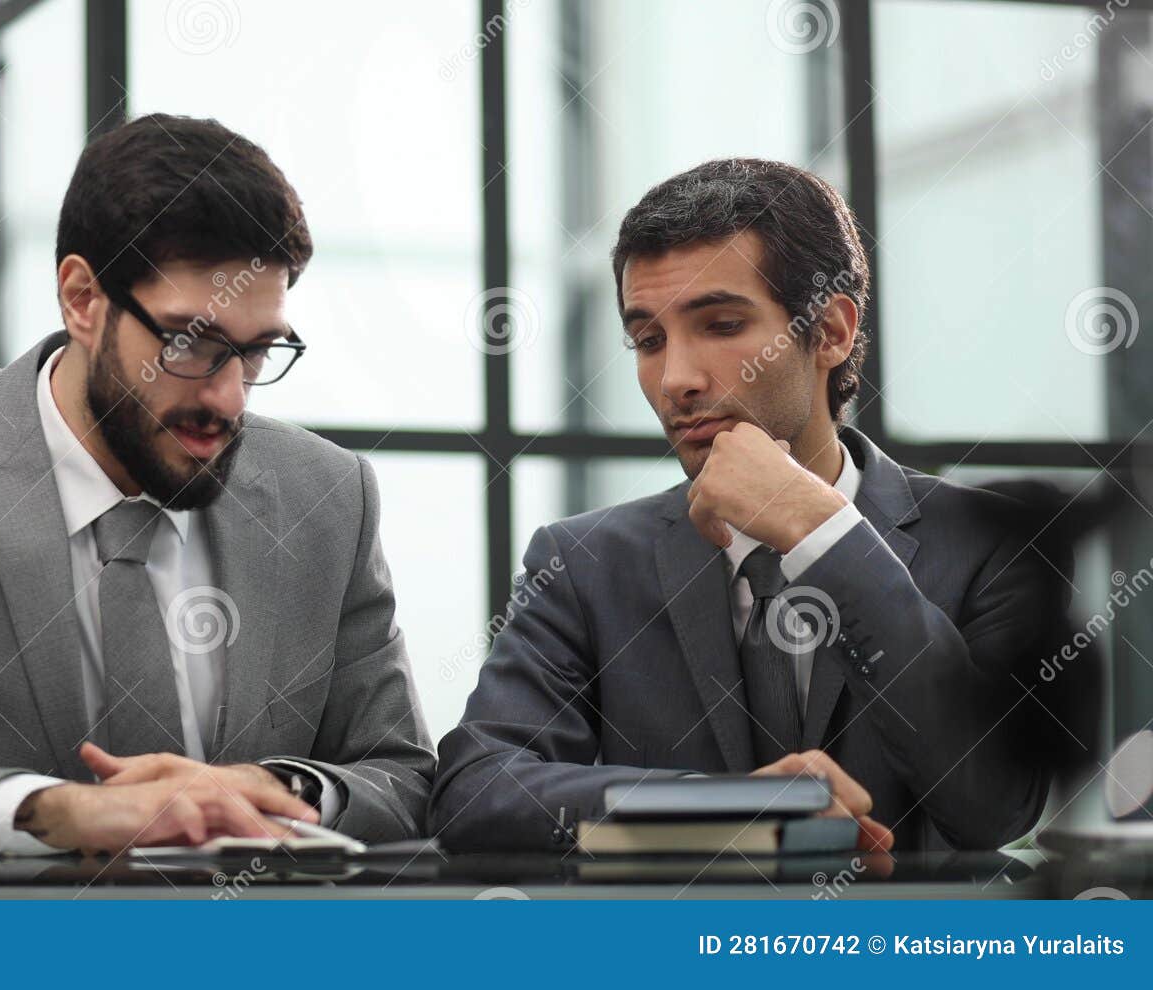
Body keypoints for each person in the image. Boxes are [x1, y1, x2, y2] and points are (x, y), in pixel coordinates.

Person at [0, 114, 434, 856]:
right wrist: (42, 810)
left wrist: (285, 789)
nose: (228, 400)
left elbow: (406, 778)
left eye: (257, 352)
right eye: (192, 344)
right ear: (82, 299)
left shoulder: (329, 495)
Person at [430, 158, 1059, 852]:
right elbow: (476, 793)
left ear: (831, 332)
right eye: (648, 341)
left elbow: (997, 805)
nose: (676, 380)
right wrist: (725, 811)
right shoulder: (583, 564)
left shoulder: (988, 543)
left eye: (723, 325)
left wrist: (826, 536)